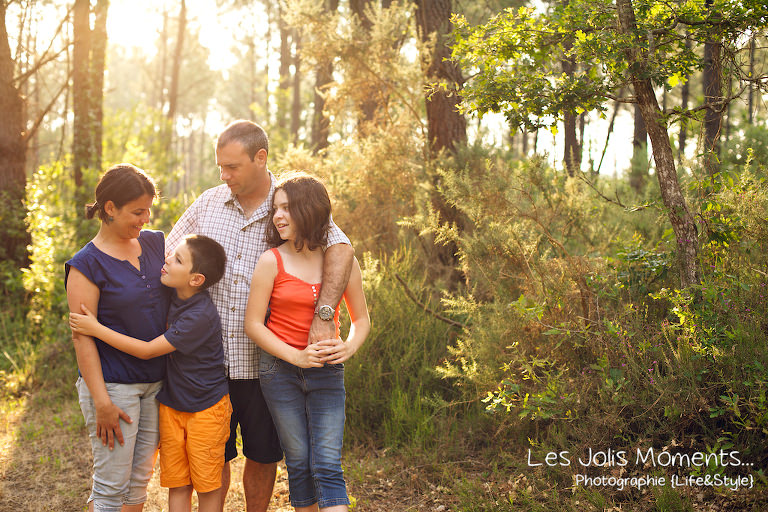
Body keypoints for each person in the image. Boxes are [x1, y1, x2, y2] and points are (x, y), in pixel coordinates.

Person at [165, 120, 355, 512]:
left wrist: (324, 314)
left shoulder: (288, 204)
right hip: (206, 364)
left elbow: (340, 247)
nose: (224, 175)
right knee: (214, 455)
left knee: (263, 454)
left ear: (260, 157)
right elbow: (166, 258)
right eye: (220, 166)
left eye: (232, 166)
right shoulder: (208, 203)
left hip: (263, 364)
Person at [70, 234, 231, 512]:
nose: (166, 259)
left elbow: (147, 350)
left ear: (196, 279)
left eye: (177, 259)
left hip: (205, 408)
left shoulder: (199, 315)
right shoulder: (174, 293)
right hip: (172, 405)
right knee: (177, 484)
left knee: (206, 485)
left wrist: (96, 329)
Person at [244, 172, 370, 512]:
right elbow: (253, 324)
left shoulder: (341, 262)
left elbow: (361, 320)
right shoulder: (271, 260)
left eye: (287, 208)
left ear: (309, 210)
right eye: (275, 209)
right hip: (279, 372)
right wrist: (296, 357)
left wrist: (349, 347)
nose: (278, 216)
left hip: (328, 371)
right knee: (299, 462)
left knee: (327, 463)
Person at [66, 163, 167, 512]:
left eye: (148, 210)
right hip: (113, 387)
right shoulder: (85, 265)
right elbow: (82, 338)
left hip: (156, 383)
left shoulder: (155, 243)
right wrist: (101, 402)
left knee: (139, 484)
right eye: (137, 212)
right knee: (111, 486)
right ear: (110, 208)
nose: (146, 218)